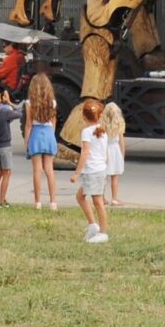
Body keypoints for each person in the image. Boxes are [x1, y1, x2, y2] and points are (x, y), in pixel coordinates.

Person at [73, 97, 113, 243]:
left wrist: (77, 172)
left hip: (93, 171)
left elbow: (85, 153)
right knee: (80, 196)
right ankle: (93, 225)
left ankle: (103, 232)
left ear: (84, 116)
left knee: (98, 202)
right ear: (100, 116)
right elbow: (105, 152)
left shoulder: (86, 132)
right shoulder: (102, 132)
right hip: (99, 170)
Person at [24, 72, 60, 213]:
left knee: (37, 170)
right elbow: (54, 120)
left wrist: (26, 141)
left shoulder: (29, 103)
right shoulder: (53, 102)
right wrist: (52, 134)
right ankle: (53, 202)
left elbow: (28, 124)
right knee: (49, 170)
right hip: (49, 133)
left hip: (36, 135)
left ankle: (38, 202)